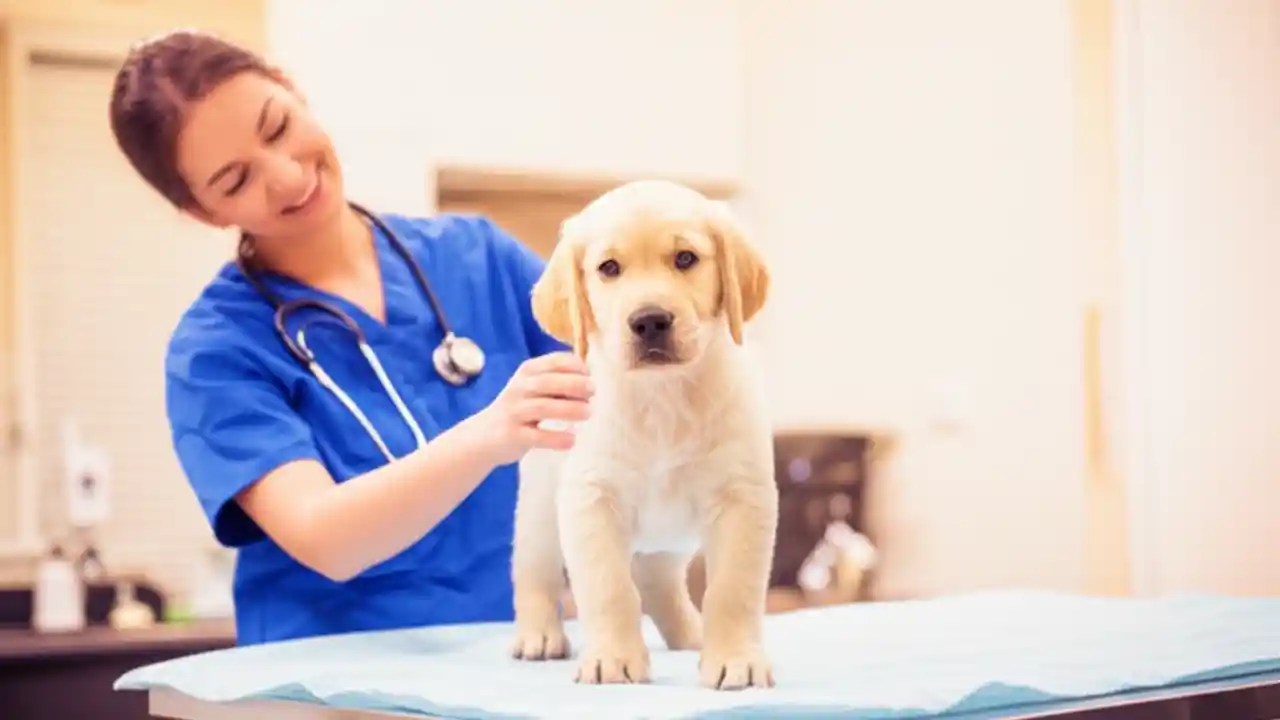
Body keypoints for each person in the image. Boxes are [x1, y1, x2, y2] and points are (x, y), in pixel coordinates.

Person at [108, 29, 593, 645]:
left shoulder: (481, 258)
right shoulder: (217, 352)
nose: (285, 177)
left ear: (293, 91)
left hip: (511, 657)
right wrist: (490, 434)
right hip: (333, 685)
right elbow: (326, 539)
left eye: (278, 126)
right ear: (203, 212)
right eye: (235, 181)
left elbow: (613, 390)